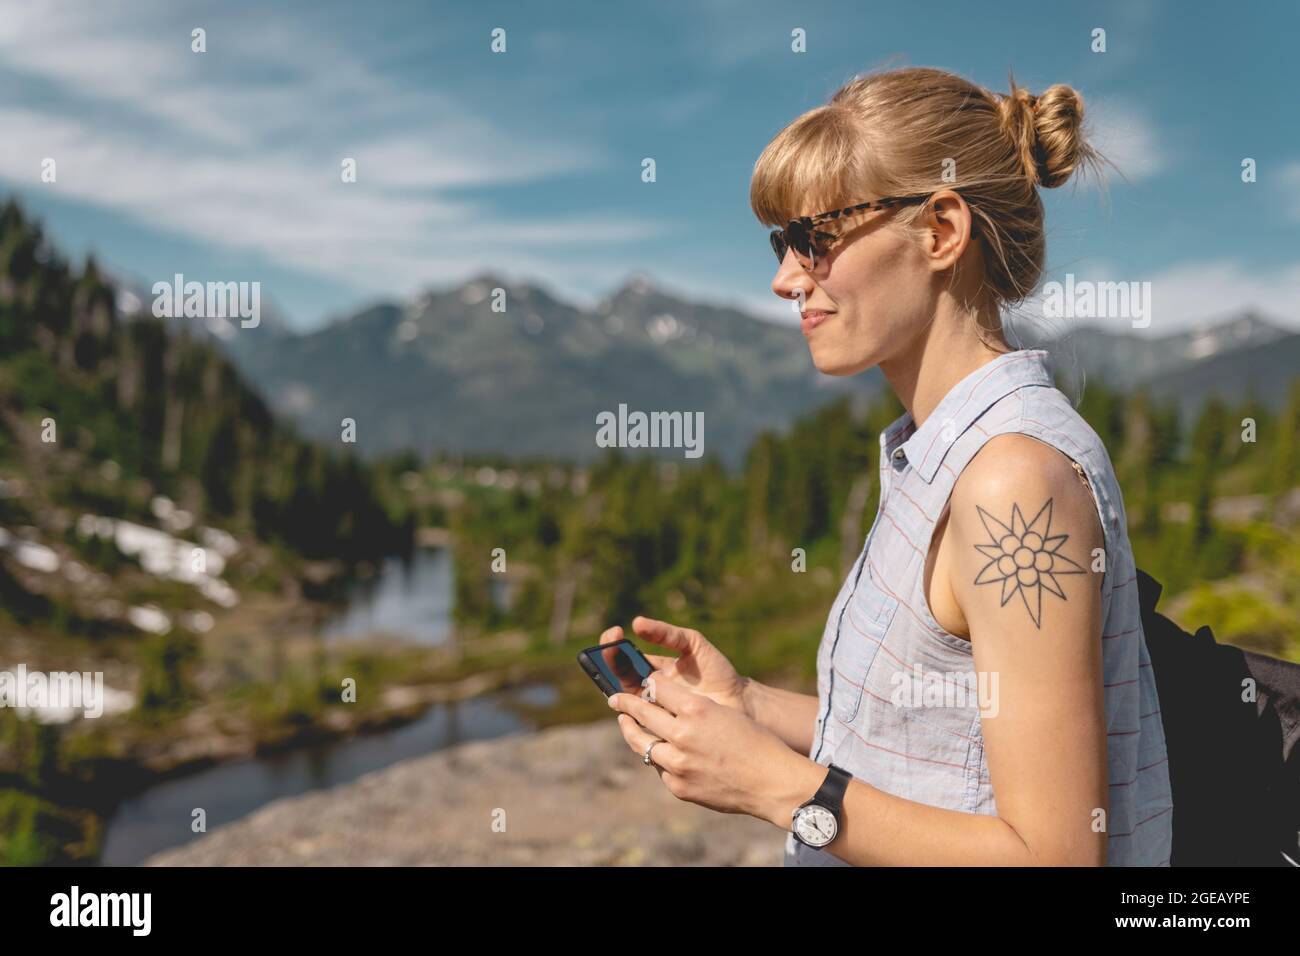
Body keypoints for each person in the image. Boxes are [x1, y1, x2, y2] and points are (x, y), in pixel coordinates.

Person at [604, 66, 1173, 866]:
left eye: (816, 237)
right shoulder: (937, 452)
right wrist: (747, 707)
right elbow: (932, 739)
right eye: (780, 242)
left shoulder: (1012, 483)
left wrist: (776, 787)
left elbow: (1053, 856)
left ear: (940, 230)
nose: (784, 277)